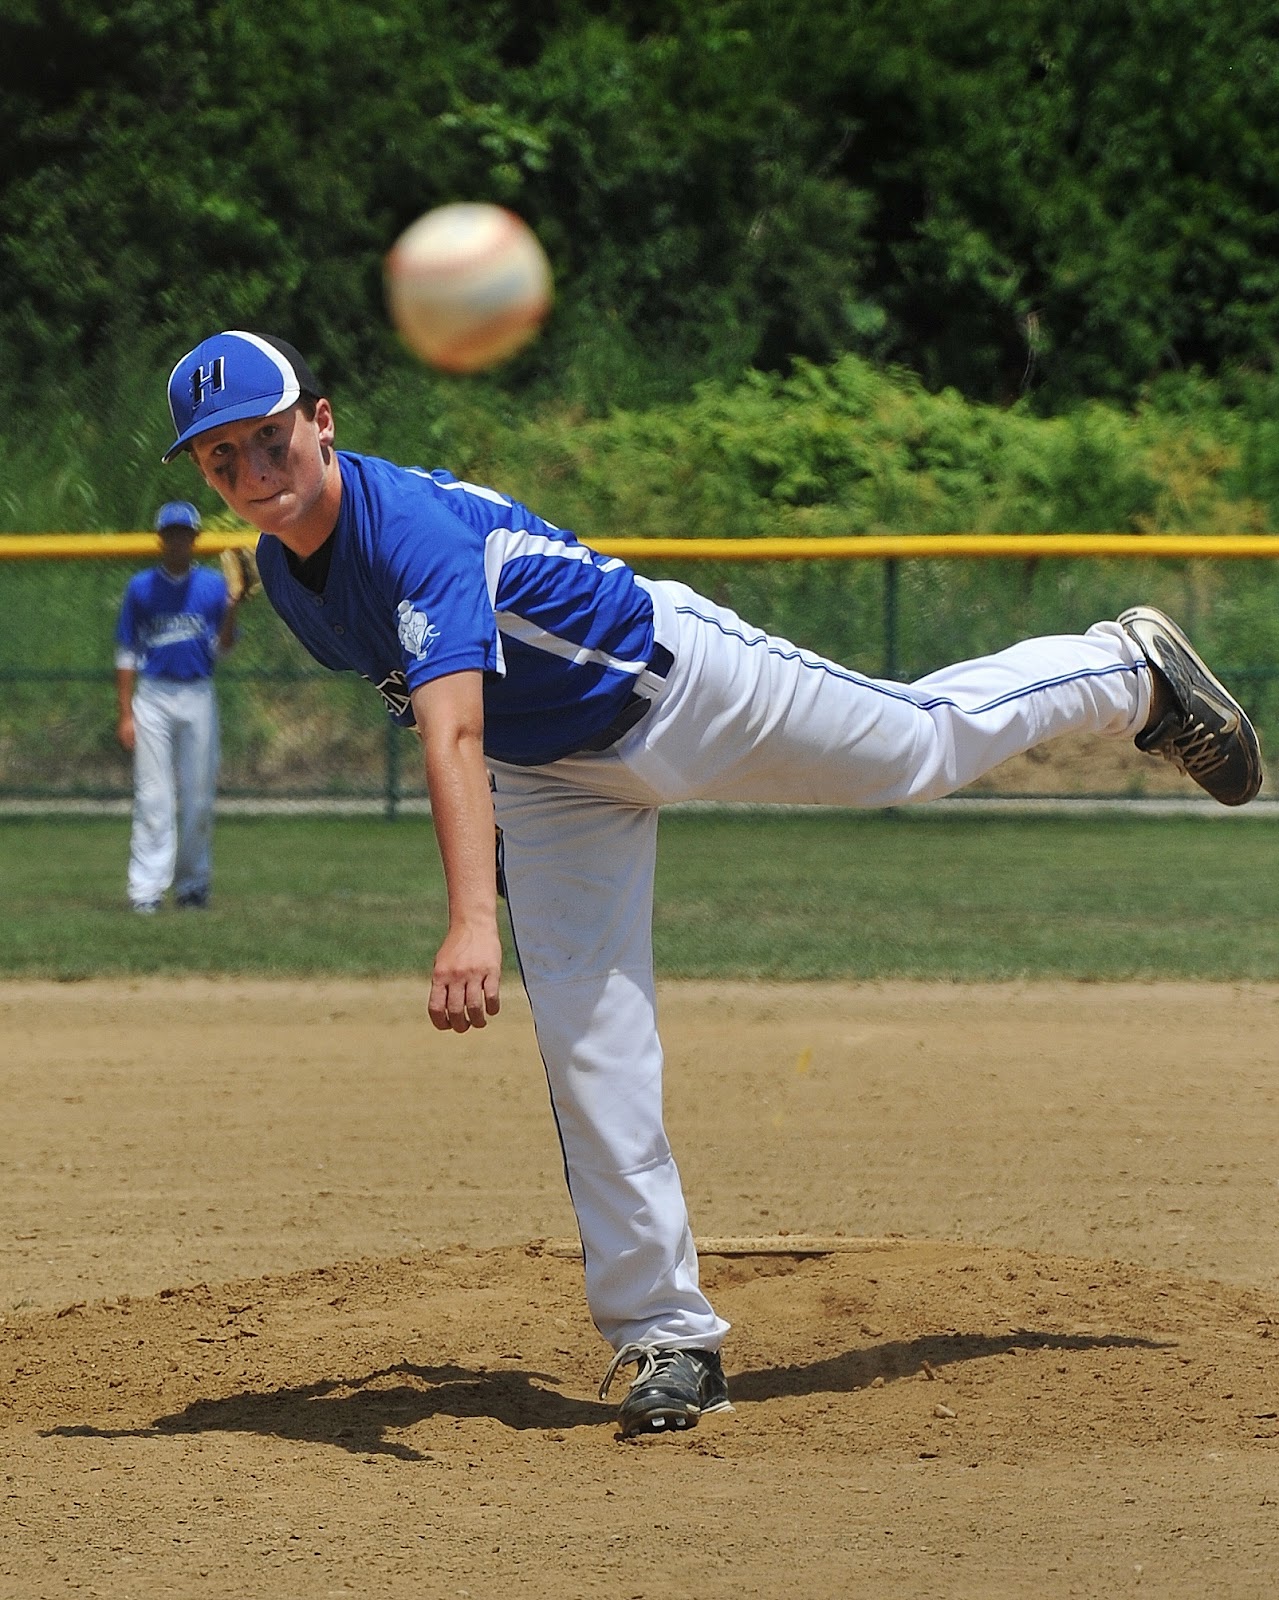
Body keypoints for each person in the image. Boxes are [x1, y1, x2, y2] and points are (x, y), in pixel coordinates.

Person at [161, 328, 1262, 1436]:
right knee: (590, 1042)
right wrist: (504, 869)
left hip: (677, 685)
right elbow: (466, 732)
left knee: (914, 749)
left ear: (322, 419)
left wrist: (469, 923)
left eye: (270, 438)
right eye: (224, 461)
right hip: (549, 780)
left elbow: (450, 732)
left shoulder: (410, 532)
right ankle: (668, 1336)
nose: (255, 474)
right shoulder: (287, 575)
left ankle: (1124, 670)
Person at [114, 499, 241, 913]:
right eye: (171, 533)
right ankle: (146, 890)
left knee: (199, 797)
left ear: (194, 538)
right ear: (160, 539)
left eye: (184, 533)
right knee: (153, 796)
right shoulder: (141, 588)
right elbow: (126, 653)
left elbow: (222, 650)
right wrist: (125, 713)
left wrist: (233, 608)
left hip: (198, 692)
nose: (177, 540)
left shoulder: (212, 588)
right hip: (153, 696)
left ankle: (192, 886)